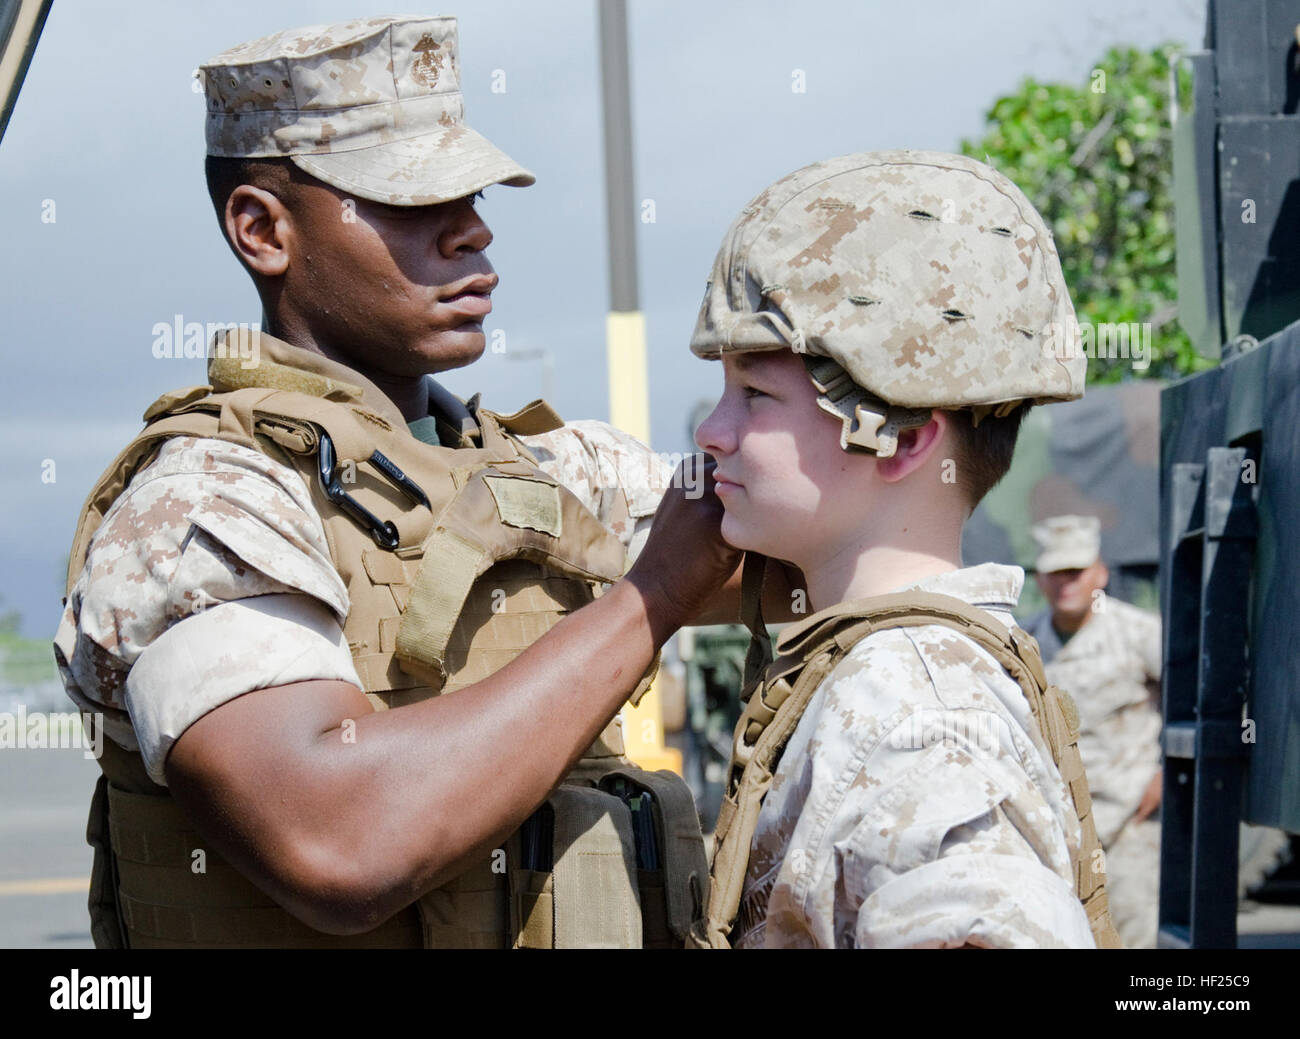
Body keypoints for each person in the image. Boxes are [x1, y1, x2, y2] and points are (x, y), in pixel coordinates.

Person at [53, 14, 748, 949]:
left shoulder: (543, 466)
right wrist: (650, 598)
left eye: (471, 193)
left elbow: (818, 519)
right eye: (412, 201)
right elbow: (338, 839)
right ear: (263, 230)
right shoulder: (206, 507)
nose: (472, 231)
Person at [690, 149, 1120, 949]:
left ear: (906, 439)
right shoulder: (882, 667)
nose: (713, 434)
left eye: (755, 394)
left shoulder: (915, 711)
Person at [1022, 515, 1162, 949]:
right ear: (1039, 578)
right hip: (1052, 827)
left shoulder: (1138, 633)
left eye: (1075, 571)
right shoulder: (1024, 641)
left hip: (1127, 825)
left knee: (1131, 936)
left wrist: (1163, 774)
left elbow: (1195, 705)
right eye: (1054, 573)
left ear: (1099, 572)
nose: (1065, 583)